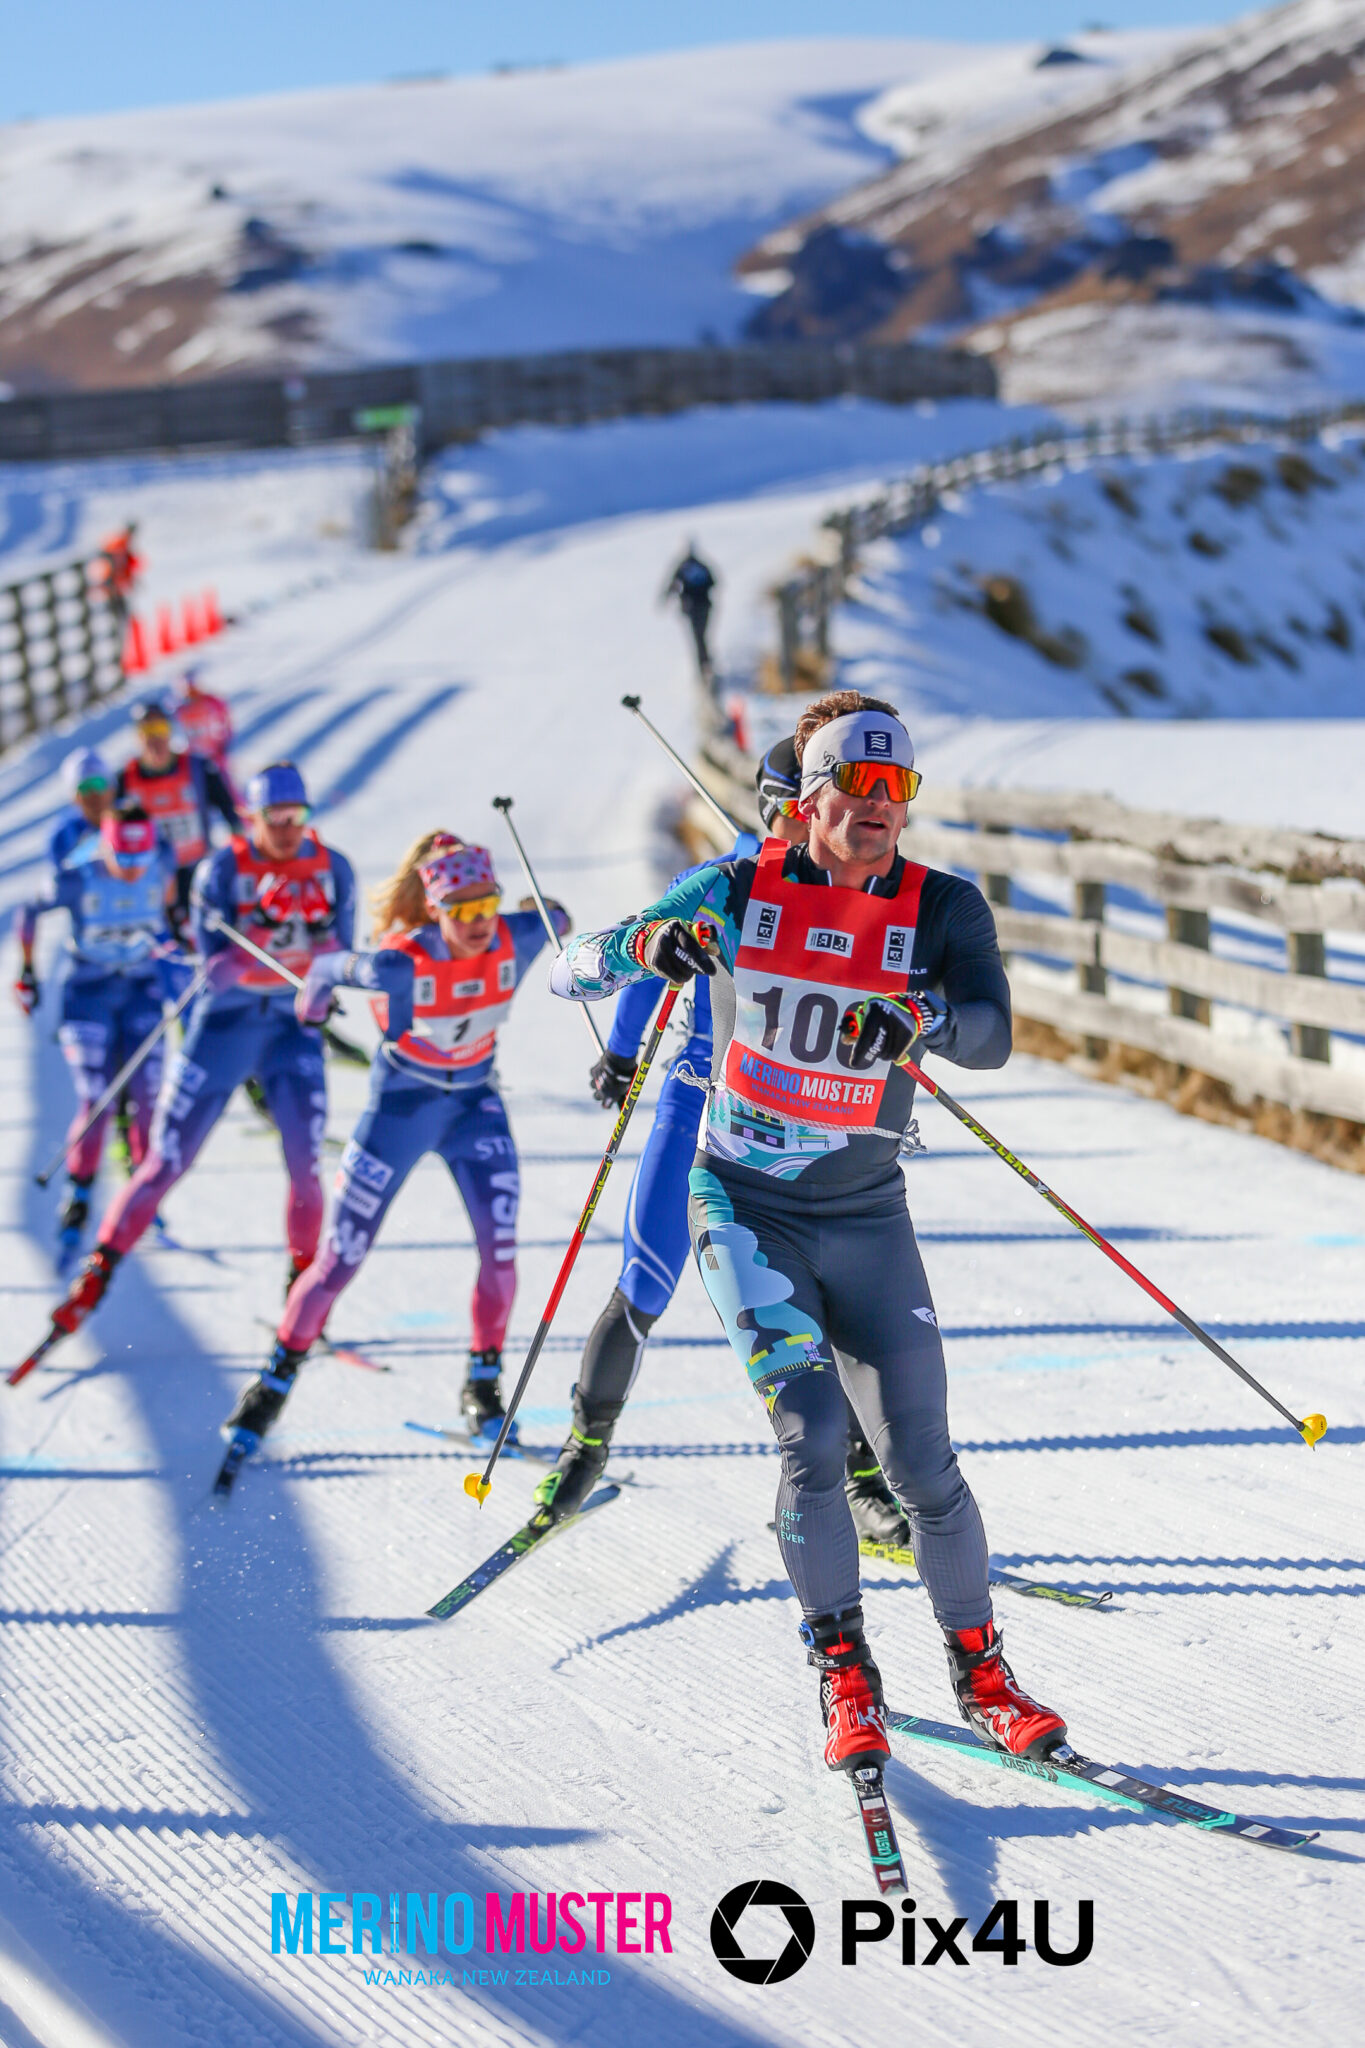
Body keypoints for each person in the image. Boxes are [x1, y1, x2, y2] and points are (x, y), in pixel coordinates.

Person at [550, 690, 1066, 1770]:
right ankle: (846, 1675)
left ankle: (984, 1676)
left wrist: (919, 1016)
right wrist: (649, 939)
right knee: (812, 1437)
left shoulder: (942, 907)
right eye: (857, 787)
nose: (879, 807)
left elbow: (996, 1034)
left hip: (869, 1210)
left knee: (922, 1456)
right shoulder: (739, 885)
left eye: (898, 788)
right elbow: (574, 967)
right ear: (809, 798)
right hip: (747, 1205)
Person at [218, 834, 570, 1467]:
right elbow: (327, 965)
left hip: (473, 1106)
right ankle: (272, 1382)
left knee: (502, 1250)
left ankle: (482, 1386)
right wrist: (316, 996)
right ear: (434, 911)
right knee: (341, 1258)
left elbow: (556, 918)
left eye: (485, 905)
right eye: (459, 912)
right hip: (400, 1111)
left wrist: (545, 908)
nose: (477, 923)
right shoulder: (401, 959)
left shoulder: (515, 934)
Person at [37, 763, 354, 1348]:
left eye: (297, 816)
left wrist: (324, 980)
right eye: (273, 819)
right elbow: (215, 963)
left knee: (305, 1161)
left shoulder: (332, 868)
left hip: (289, 1029)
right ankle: (97, 1273)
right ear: (250, 818)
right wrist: (254, 931)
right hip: (225, 1027)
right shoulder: (223, 868)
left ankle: (299, 1290)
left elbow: (342, 951)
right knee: (166, 1160)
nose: (286, 829)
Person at [17, 798, 179, 1270]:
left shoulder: (161, 858)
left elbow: (170, 899)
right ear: (103, 846)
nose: (132, 870)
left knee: (148, 1100)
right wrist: (26, 971)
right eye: (122, 859)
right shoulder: (77, 873)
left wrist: (175, 935)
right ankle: (80, 1194)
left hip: (142, 989)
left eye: (139, 859)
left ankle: (141, 1193)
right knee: (98, 1099)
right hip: (89, 991)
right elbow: (30, 910)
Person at [117, 696, 237, 928]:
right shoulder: (125, 779)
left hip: (197, 869)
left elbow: (231, 812)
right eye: (147, 729)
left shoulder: (198, 768)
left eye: (160, 727)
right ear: (137, 736)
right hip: (152, 878)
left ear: (170, 731)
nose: (154, 737)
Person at [172, 666, 236, 795]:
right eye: (188, 689)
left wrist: (223, 745)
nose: (192, 693)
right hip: (192, 759)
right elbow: (175, 733)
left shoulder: (211, 702)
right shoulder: (180, 708)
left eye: (193, 688)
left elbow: (226, 723)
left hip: (215, 755)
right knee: (198, 790)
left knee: (227, 788)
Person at [662, 542, 717, 679]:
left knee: (697, 637)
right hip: (705, 605)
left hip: (692, 608)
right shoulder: (702, 565)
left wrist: (669, 598)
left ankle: (702, 668)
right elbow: (714, 581)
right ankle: (706, 663)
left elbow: (672, 585)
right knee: (703, 635)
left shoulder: (683, 567)